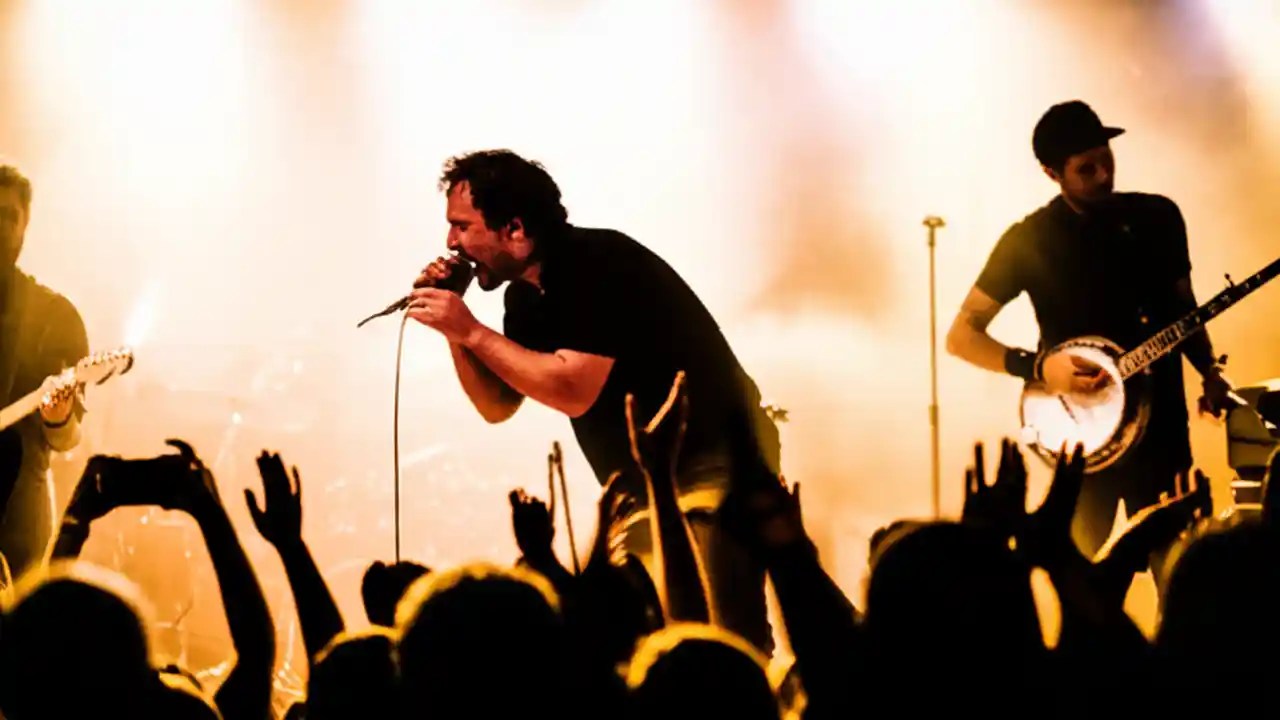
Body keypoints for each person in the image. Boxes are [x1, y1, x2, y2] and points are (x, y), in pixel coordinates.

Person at [405, 149, 781, 652]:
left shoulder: (593, 263)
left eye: (462, 226)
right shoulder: (522, 298)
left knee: (718, 638)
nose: (451, 242)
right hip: (643, 486)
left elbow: (572, 389)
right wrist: (456, 330)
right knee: (657, 642)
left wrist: (471, 331)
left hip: (710, 468)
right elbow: (498, 405)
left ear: (514, 228)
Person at [945, 101, 1235, 580]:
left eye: (1107, 159)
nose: (1104, 175)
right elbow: (961, 337)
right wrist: (1038, 368)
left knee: (1181, 574)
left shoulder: (1159, 217)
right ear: (1051, 172)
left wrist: (1209, 372)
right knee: (1080, 580)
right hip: (1081, 448)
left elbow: (1185, 308)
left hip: (1162, 431)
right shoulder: (1027, 240)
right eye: (1086, 168)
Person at [0, 163, 89, 581]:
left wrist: (58, 417)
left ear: (24, 227)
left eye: (8, 215)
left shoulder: (54, 316)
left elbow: (68, 439)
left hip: (15, 513)